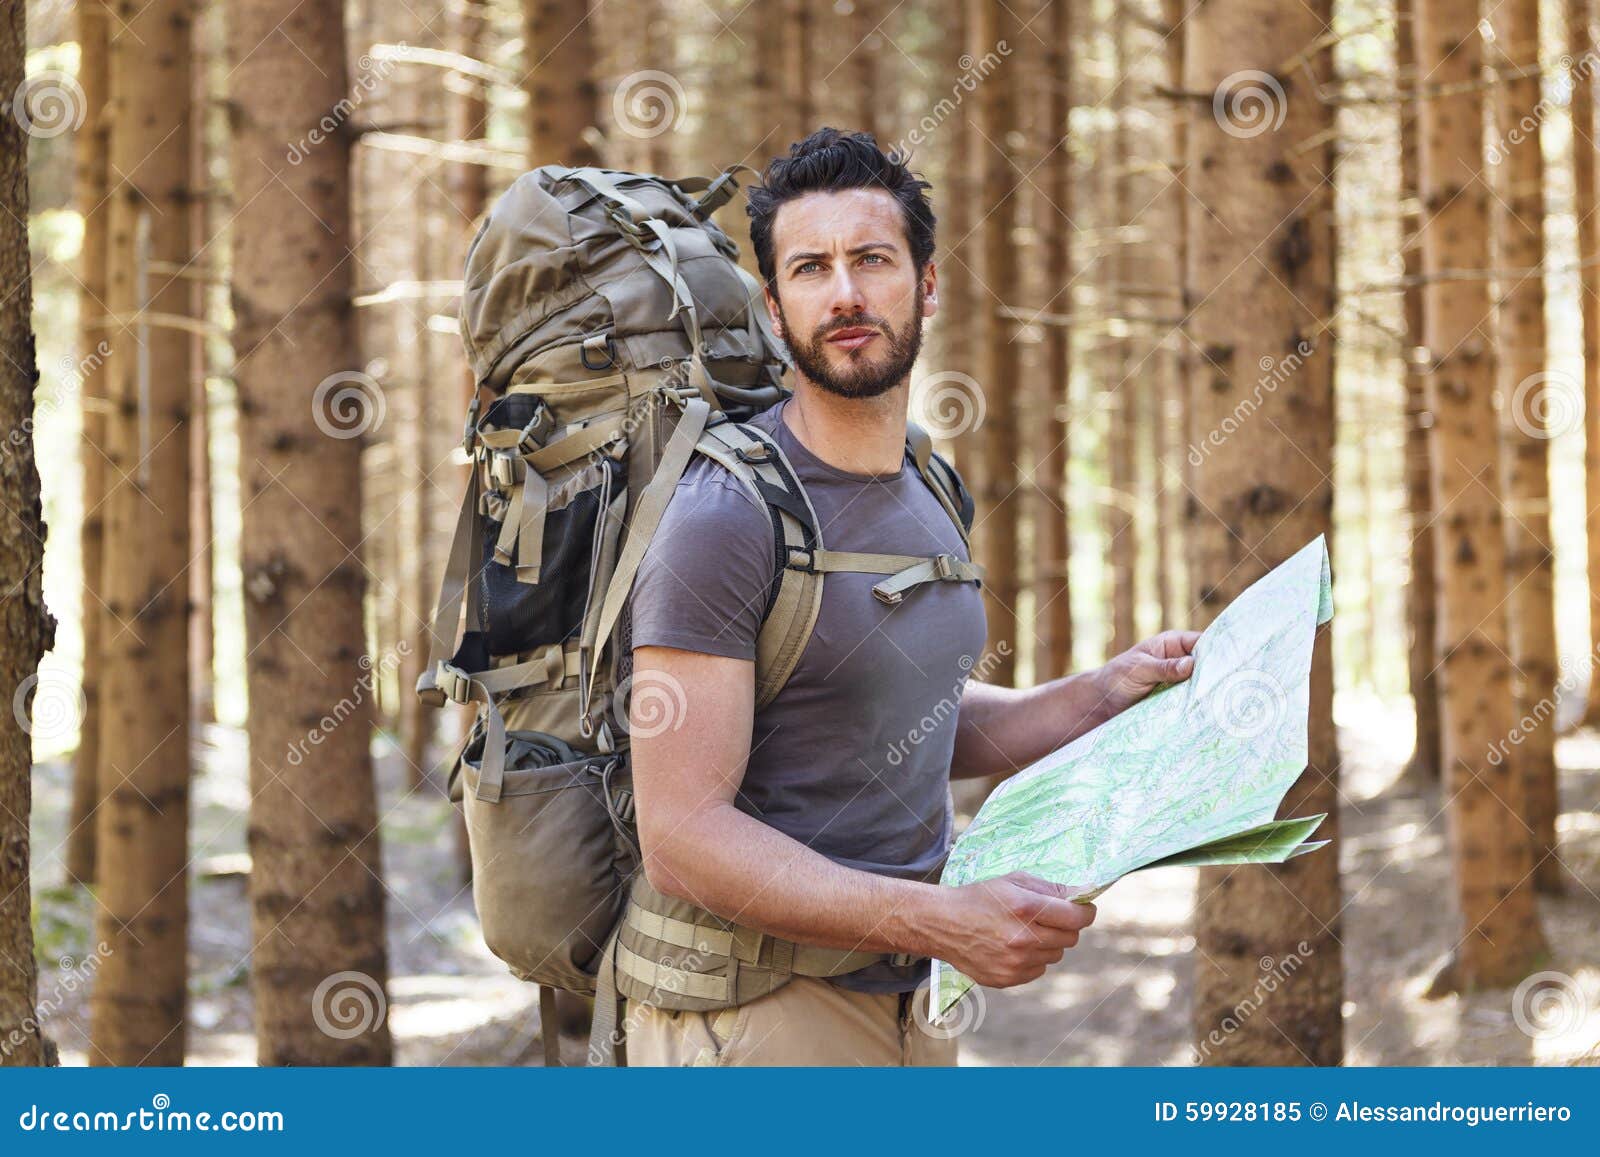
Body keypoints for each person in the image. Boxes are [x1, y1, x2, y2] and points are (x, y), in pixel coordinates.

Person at [623, 127, 1199, 1065]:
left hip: (914, 1000)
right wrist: (938, 917)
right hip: (755, 1017)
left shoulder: (928, 485)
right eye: (810, 268)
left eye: (872, 259)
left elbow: (906, 713)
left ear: (926, 284)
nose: (844, 293)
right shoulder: (724, 514)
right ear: (774, 308)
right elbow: (682, 835)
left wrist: (1101, 692)